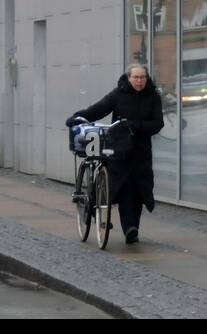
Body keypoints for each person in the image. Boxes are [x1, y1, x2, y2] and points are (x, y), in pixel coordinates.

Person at [66, 64, 163, 245]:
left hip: (141, 152)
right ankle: (129, 228)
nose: (140, 81)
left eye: (143, 78)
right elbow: (99, 109)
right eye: (136, 77)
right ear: (128, 78)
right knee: (124, 186)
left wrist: (135, 125)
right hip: (119, 150)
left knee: (140, 189)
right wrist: (78, 117)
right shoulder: (118, 94)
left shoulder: (153, 97)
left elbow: (158, 123)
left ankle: (133, 227)